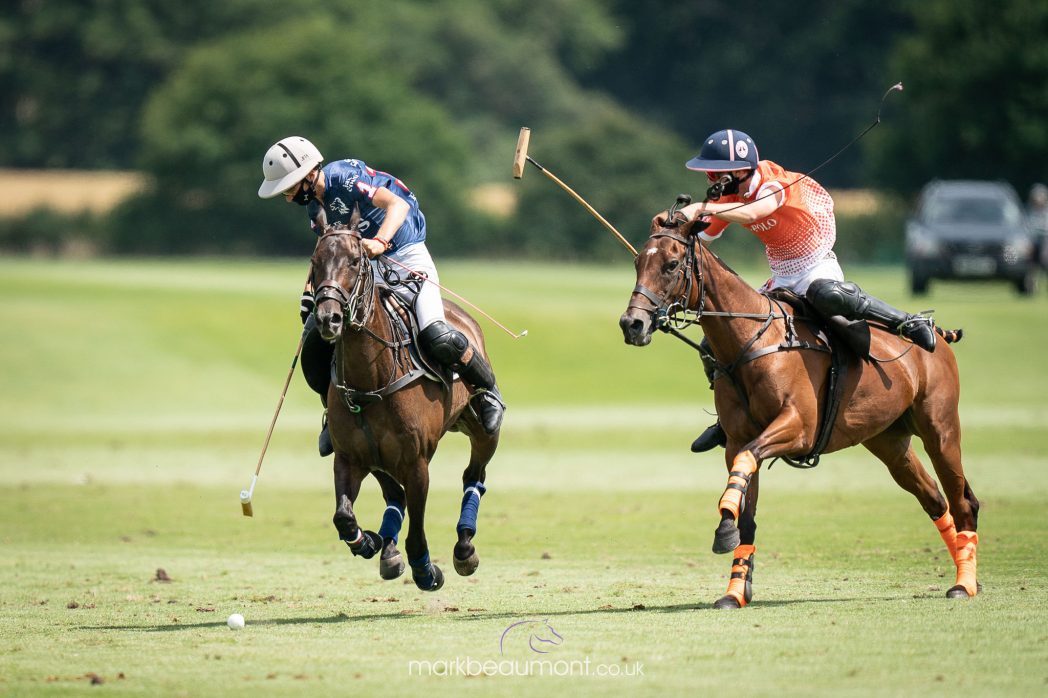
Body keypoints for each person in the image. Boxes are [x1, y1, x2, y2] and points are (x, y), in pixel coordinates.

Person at [666, 129, 937, 453]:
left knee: (827, 294)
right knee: (712, 341)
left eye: (715, 170)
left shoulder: (773, 182)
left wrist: (702, 208)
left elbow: (755, 212)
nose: (710, 177)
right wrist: (669, 232)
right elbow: (703, 238)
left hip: (815, 262)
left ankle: (907, 322)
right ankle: (727, 422)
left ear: (739, 170)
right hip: (782, 274)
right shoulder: (726, 198)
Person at [258, 136, 505, 455]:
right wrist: (310, 291)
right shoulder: (315, 209)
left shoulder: (343, 178)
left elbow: (397, 205)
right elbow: (328, 253)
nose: (287, 196)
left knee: (436, 333)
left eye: (289, 186)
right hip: (363, 272)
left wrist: (381, 241)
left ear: (308, 174)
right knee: (319, 338)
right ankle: (333, 414)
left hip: (405, 254)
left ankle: (488, 392)